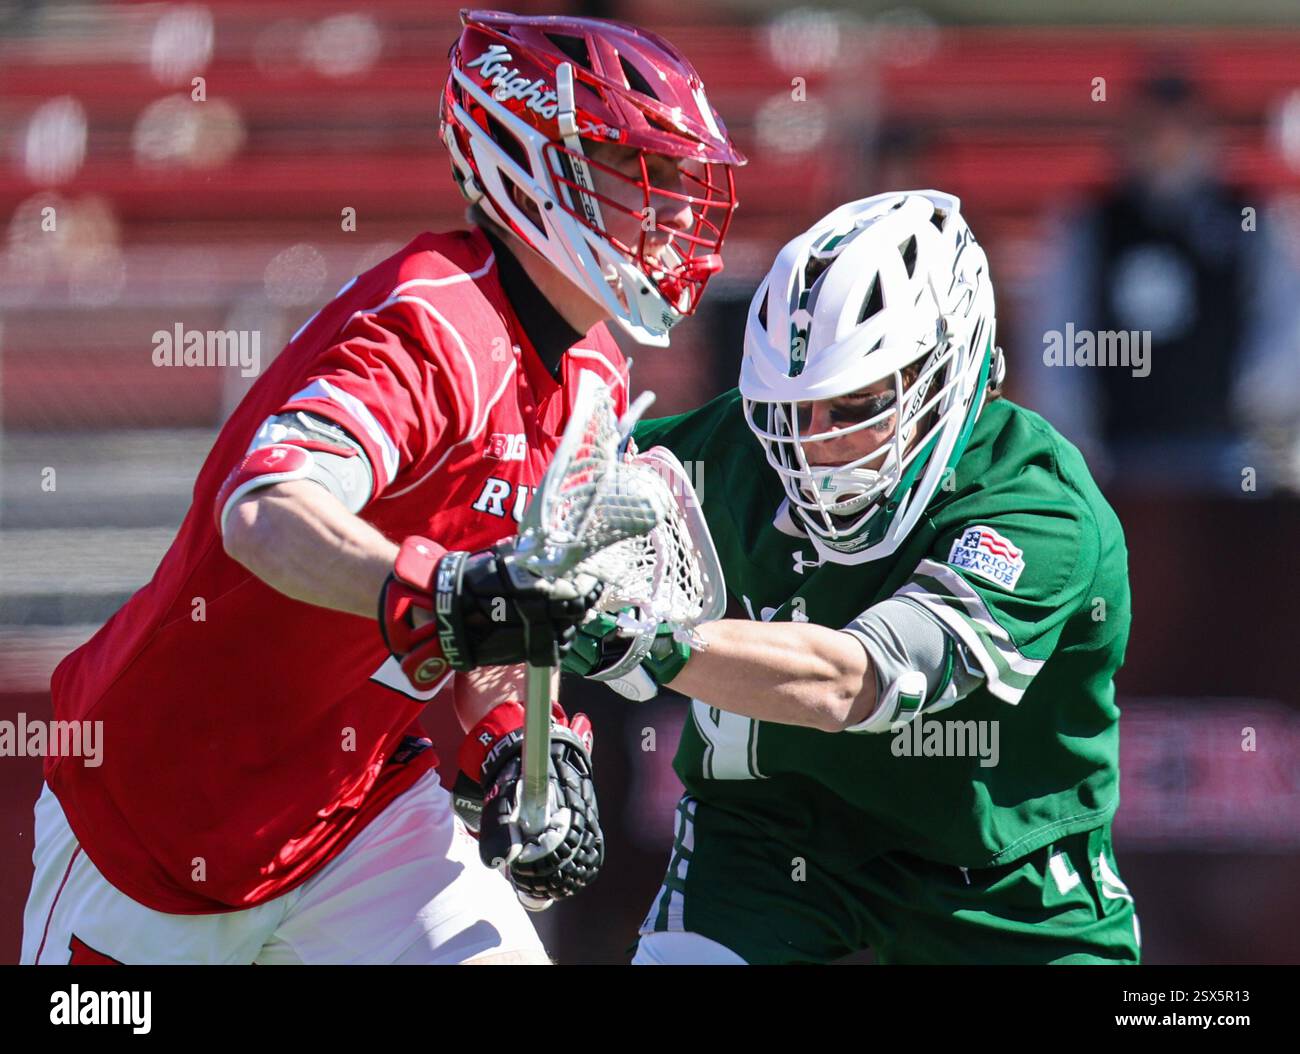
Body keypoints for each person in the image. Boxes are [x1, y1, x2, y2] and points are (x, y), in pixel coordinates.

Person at [21, 9, 743, 965]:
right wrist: (446, 593)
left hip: (357, 813)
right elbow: (266, 513)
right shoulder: (432, 324)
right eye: (635, 170)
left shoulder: (593, 372)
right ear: (536, 158)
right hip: (155, 828)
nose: (675, 213)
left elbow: (493, 606)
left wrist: (522, 741)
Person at [565, 191, 1141, 965]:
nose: (814, 446)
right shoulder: (732, 448)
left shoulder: (1038, 510)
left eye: (855, 406)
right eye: (790, 411)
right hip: (771, 839)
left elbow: (859, 684)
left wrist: (656, 641)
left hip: (1001, 878)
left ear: (948, 370)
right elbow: (527, 530)